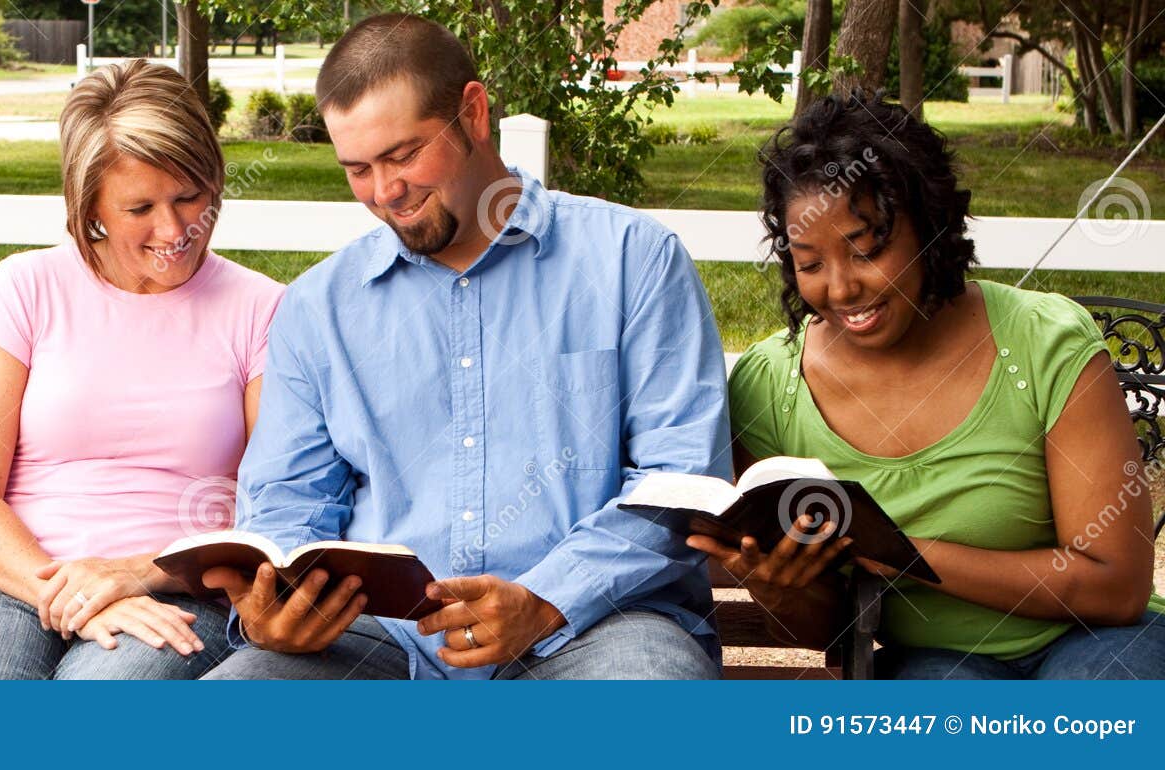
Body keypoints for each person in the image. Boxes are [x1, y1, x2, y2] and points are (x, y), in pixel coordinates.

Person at [199, 14, 730, 680]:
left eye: (403, 155)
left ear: (473, 113)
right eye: (358, 169)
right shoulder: (318, 307)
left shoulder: (633, 260)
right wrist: (275, 607)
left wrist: (544, 599)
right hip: (384, 642)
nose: (385, 193)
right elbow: (288, 503)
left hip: (594, 631)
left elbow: (678, 486)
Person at [703, 91, 1165, 679]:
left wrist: (900, 554)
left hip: (1095, 642)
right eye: (811, 263)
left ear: (931, 227)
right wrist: (778, 589)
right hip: (933, 662)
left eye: (866, 248)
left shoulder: (1044, 344)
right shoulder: (772, 386)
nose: (840, 289)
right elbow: (829, 635)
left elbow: (1117, 585)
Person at [0, 60, 283, 680]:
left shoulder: (261, 309)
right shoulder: (26, 287)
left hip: (177, 594)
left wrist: (131, 576)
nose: (175, 230)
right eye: (140, 207)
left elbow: (270, 508)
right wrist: (74, 597)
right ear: (89, 202)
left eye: (190, 197)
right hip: (13, 586)